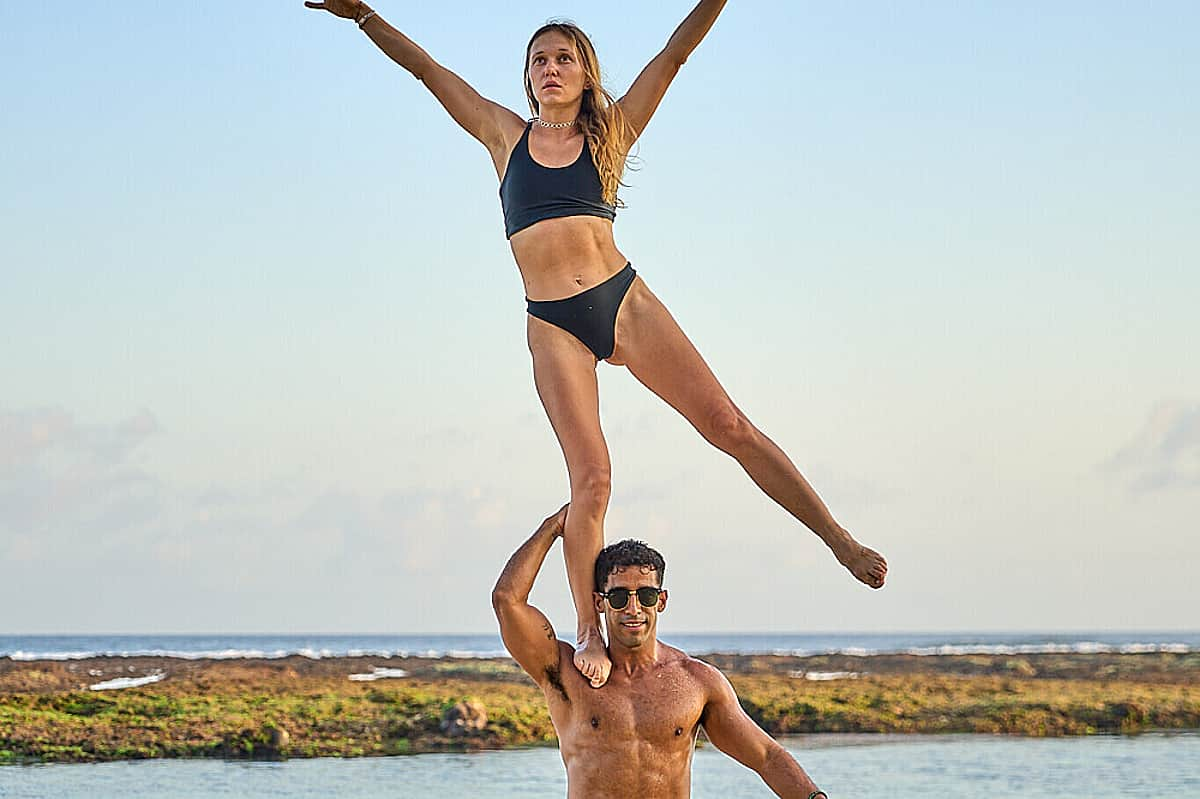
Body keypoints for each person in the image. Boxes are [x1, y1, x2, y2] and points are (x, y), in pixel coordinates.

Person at [304, 0, 888, 688]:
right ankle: (587, 626)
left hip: (623, 301)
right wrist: (363, 15)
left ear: (586, 75)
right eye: (539, 60)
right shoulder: (503, 135)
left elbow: (674, 55)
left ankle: (840, 541)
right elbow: (429, 71)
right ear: (528, 78)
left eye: (564, 58)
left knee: (730, 424)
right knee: (593, 477)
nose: (551, 68)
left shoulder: (610, 135)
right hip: (552, 322)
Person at [492, 506, 831, 798]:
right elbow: (507, 600)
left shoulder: (696, 682)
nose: (634, 608)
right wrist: (555, 526)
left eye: (647, 596)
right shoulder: (567, 673)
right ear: (600, 602)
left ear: (662, 600)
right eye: (620, 597)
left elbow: (766, 757)